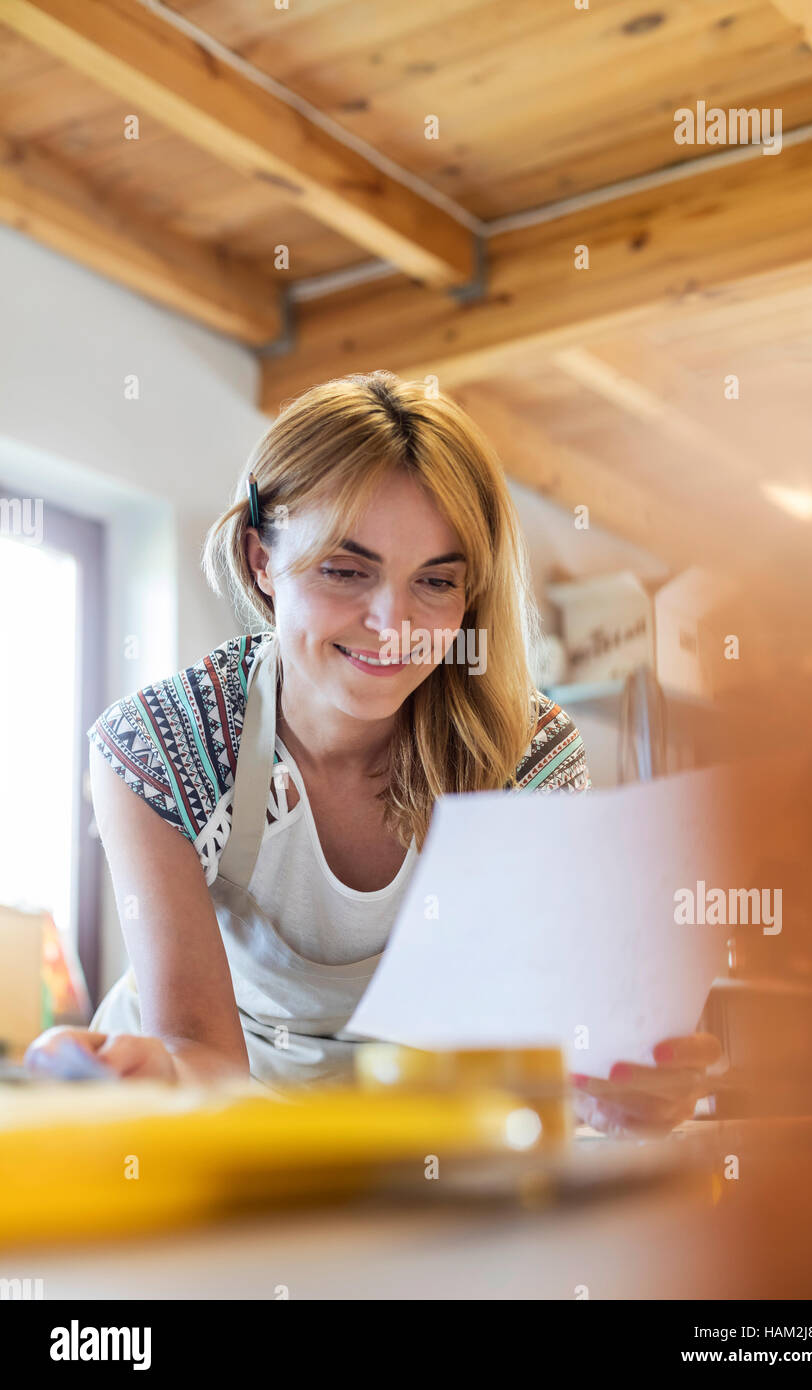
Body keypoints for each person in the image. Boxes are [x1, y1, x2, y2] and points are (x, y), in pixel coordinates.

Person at [25, 372, 719, 1134]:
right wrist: (159, 1072)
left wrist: (611, 1086)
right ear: (261, 559)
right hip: (216, 1104)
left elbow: (542, 1040)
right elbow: (200, 1055)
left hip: (411, 1124)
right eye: (346, 570)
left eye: (435, 580)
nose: (393, 624)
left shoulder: (527, 757)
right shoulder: (162, 746)